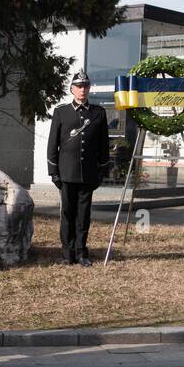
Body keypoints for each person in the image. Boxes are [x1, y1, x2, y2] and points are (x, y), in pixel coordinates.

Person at [46, 69, 110, 265]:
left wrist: (102, 170)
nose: (82, 90)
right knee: (67, 214)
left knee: (83, 215)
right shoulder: (61, 112)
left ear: (89, 89)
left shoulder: (98, 113)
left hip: (88, 174)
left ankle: (82, 252)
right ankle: (67, 253)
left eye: (85, 86)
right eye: (79, 87)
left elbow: (103, 145)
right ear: (72, 89)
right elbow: (52, 144)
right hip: (67, 173)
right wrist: (53, 171)